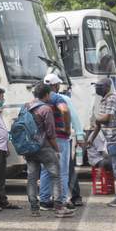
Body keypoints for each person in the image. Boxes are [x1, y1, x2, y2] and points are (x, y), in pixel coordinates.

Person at [21, 83, 70, 217]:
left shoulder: (26, 106)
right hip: (44, 147)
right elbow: (50, 133)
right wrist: (57, 149)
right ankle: (59, 208)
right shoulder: (46, 109)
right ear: (47, 94)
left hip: (29, 148)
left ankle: (34, 209)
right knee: (56, 175)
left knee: (32, 178)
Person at [44, 72, 79, 210]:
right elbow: (65, 111)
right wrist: (67, 128)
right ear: (55, 85)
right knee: (63, 171)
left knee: (47, 170)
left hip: (46, 139)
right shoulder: (57, 97)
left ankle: (45, 200)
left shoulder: (40, 99)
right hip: (60, 138)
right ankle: (62, 199)